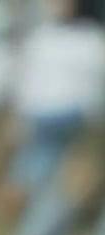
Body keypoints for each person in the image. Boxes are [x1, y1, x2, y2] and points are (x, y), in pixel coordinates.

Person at [9, 0, 105, 192]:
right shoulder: (43, 36)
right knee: (37, 158)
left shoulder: (90, 38)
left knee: (44, 158)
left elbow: (95, 81)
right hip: (39, 112)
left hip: (69, 113)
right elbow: (27, 77)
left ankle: (30, 192)